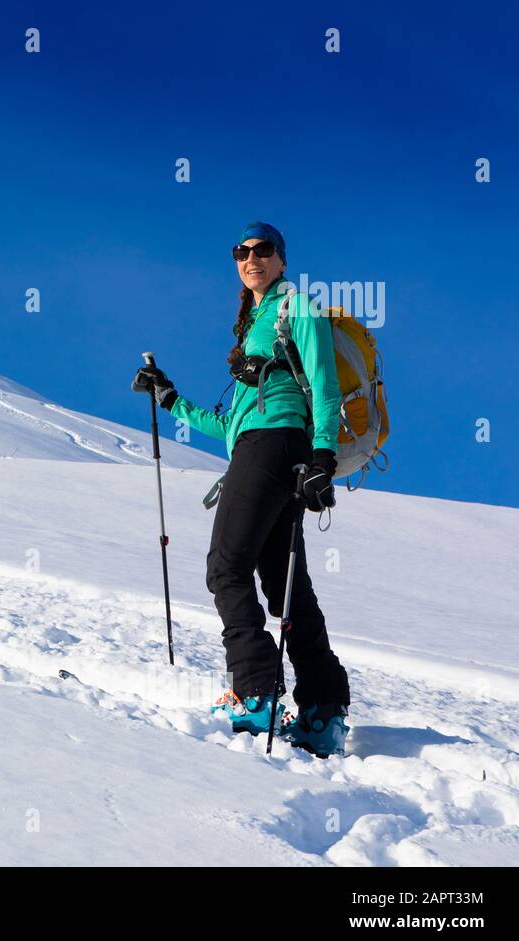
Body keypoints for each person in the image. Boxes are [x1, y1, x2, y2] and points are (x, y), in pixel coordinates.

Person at [132, 222, 350, 757]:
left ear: (281, 259)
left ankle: (254, 691)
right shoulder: (253, 325)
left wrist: (323, 453)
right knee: (282, 583)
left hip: (278, 445)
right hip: (262, 446)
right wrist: (171, 400)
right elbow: (232, 423)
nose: (251, 257)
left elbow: (323, 384)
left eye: (263, 249)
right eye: (241, 251)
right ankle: (322, 709)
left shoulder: (297, 307)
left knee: (226, 566)